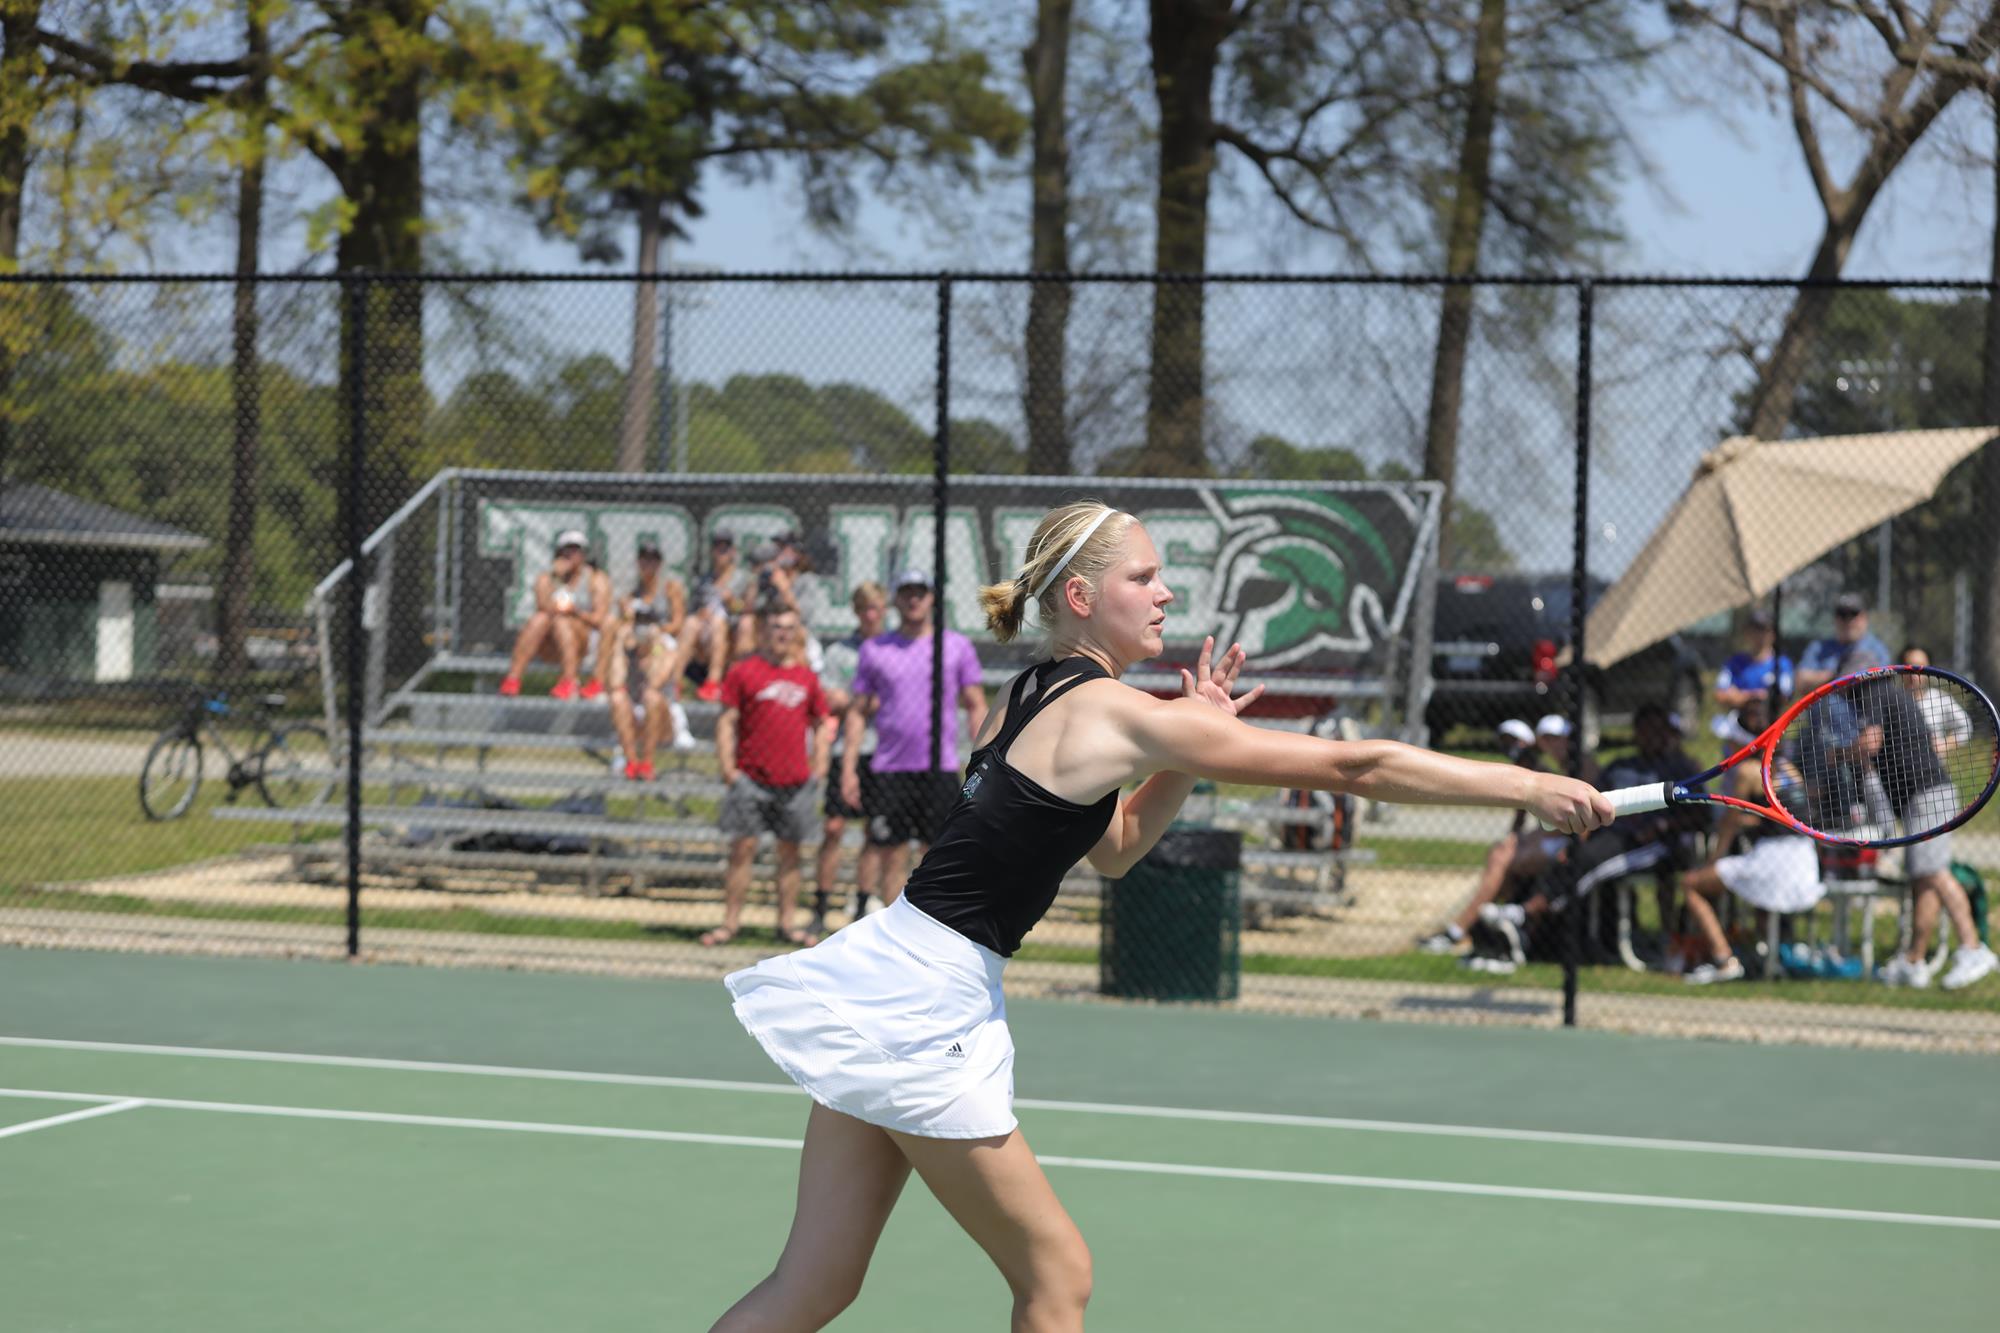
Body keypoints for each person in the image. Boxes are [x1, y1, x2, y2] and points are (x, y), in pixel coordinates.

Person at [709, 501, 1611, 1332]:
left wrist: (1189, 736)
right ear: (1080, 594)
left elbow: (1117, 843)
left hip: (892, 967)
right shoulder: (1109, 709)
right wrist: (1524, 783)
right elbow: (1354, 768)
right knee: (1057, 1276)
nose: (1165, 591)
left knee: (817, 1282)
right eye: (1142, 576)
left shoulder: (1035, 694)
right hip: (923, 999)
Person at [1472, 703, 1702, 968]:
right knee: (1571, 856)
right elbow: (1591, 806)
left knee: (1587, 863)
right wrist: (1575, 840)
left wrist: (1663, 826)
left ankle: (1526, 915)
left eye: (1657, 730)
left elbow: (1699, 818)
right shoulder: (1619, 766)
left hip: (1651, 845)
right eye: (1644, 729)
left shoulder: (1680, 769)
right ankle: (1523, 923)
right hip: (1608, 837)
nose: (1651, 736)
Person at [1809, 673, 1997, 990]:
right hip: (1919, 799)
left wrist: (1836, 756)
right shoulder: (1881, 697)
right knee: (1922, 878)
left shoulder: (1875, 693)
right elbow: (1873, 758)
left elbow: (1870, 743)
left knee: (1934, 873)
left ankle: (1973, 948)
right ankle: (1915, 961)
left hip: (1927, 796)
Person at [837, 568, 987, 916]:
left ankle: (931, 924)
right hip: (890, 767)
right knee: (890, 850)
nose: (914, 599)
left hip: (940, 766)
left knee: (938, 852)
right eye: (906, 592)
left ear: (932, 598)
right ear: (896, 599)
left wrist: (982, 758)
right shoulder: (876, 649)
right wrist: (848, 770)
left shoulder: (954, 646)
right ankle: (893, 926)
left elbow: (975, 702)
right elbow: (858, 712)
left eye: (920, 592)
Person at [700, 603, 834, 949]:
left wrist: (819, 764)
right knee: (742, 850)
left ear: (797, 633)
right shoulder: (744, 672)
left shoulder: (806, 677)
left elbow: (821, 723)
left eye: (789, 627)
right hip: (751, 778)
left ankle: (786, 925)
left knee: (790, 854)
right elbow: (727, 721)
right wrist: (728, 768)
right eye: (776, 626)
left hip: (795, 782)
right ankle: (730, 924)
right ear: (764, 630)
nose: (782, 633)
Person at [1421, 713, 1599, 960]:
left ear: (1568, 738)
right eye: (1547, 739)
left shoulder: (1581, 764)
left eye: (1557, 738)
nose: (1553, 744)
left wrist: (1574, 847)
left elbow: (1590, 814)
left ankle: (1462, 929)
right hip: (1558, 837)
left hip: (1573, 842)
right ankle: (1484, 927)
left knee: (1502, 858)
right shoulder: (1555, 766)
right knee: (1501, 852)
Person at [1675, 695, 1820, 984]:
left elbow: (1729, 824)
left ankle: (1723, 959)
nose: (1728, 746)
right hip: (1805, 861)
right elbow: (1770, 815)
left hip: (1775, 860)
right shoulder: (1788, 769)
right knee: (1750, 892)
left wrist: (1713, 862)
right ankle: (1762, 959)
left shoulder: (1746, 771)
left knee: (1692, 884)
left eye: (1732, 741)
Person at [810, 581, 888, 937]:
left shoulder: (893, 649)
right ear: (856, 612)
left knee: (875, 830)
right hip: (846, 749)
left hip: (882, 750)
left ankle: (861, 905)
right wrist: (863, 701)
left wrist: (859, 701)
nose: (870, 615)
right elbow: (829, 698)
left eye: (876, 608)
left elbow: (893, 700)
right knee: (834, 827)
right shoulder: (841, 651)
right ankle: (820, 906)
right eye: (864, 609)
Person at [600, 539, 690, 781]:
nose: (643, 627)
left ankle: (647, 762)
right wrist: (623, 644)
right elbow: (616, 680)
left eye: (646, 622)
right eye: (639, 622)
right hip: (634, 715)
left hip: (662, 717)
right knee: (618, 697)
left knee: (651, 696)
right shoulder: (627, 641)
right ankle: (632, 763)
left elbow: (656, 682)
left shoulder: (665, 646)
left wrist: (652, 647)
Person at [498, 530, 612, 700]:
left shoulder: (596, 579)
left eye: (576, 550)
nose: (570, 555)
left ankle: (570, 680)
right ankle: (513, 679)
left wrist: (576, 612)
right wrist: (557, 578)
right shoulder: (547, 578)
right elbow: (543, 605)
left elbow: (599, 619)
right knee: (540, 619)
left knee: (562, 621)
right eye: (566, 550)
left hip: (582, 641)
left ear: (584, 554)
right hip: (551, 644)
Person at [675, 531, 751, 704]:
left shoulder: (742, 578)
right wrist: (701, 614)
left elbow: (747, 610)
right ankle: (675, 681)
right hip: (704, 633)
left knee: (718, 622)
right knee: (690, 623)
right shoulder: (705, 579)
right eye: (717, 549)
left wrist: (732, 603)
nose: (720, 553)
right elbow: (693, 608)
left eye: (725, 549)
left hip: (730, 631)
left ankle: (713, 682)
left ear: (733, 552)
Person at [1794, 592, 1890, 693]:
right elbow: (1800, 681)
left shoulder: (1876, 648)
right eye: (1843, 615)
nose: (1848, 620)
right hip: (1829, 704)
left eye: (1853, 614)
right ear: (1835, 619)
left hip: (1865, 704)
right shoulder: (1818, 648)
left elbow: (1887, 678)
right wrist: (1836, 676)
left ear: (1864, 618)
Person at [1713, 608, 1794, 710]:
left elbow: (1785, 696)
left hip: (1770, 720)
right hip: (1738, 720)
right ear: (1747, 633)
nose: (1758, 635)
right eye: (1754, 630)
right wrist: (1754, 696)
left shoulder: (1781, 664)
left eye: (1763, 630)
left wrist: (1739, 695)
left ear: (1773, 634)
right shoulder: (1734, 662)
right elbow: (1720, 694)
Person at [1898, 645, 1974, 751]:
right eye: (1908, 666)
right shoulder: (1890, 701)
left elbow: (1966, 726)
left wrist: (1944, 745)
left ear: (1930, 670)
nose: (1913, 674)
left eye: (1920, 667)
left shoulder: (1941, 700)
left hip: (1934, 767)